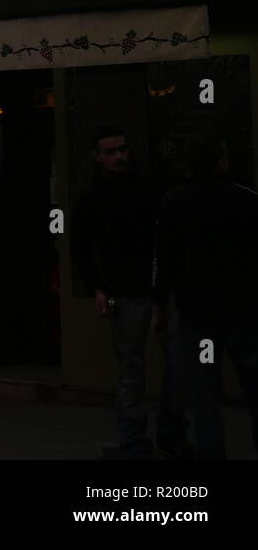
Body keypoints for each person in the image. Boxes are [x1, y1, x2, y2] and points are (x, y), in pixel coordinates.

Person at [72, 125, 188, 459]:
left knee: (161, 369)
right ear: (97, 157)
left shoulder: (143, 189)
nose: (119, 156)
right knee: (137, 371)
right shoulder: (95, 199)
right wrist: (98, 288)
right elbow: (81, 249)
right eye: (111, 151)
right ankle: (147, 439)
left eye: (121, 149)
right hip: (128, 292)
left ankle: (157, 436)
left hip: (150, 291)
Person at [156, 135, 258, 460]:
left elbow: (167, 261)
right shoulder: (247, 201)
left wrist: (160, 305)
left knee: (205, 395)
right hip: (244, 314)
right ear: (222, 162)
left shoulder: (174, 203)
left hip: (199, 317)